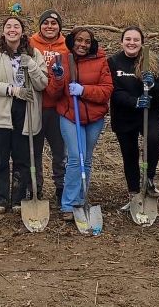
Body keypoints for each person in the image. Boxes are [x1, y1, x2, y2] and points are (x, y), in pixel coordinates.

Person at [0, 16, 48, 214]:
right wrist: (13, 90)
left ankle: (18, 199)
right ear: (3, 31)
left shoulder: (34, 54)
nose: (12, 30)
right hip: (0, 114)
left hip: (26, 112)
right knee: (0, 159)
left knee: (22, 159)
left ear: (22, 31)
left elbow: (42, 84)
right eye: (8, 26)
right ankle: (0, 199)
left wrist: (32, 66)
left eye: (16, 26)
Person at [46, 27, 113, 222]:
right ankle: (68, 203)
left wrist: (83, 90)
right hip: (70, 115)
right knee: (76, 156)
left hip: (94, 118)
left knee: (87, 159)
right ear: (72, 41)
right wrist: (58, 79)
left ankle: (82, 198)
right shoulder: (60, 60)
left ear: (92, 45)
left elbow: (106, 91)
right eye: (79, 40)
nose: (82, 44)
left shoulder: (101, 61)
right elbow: (53, 94)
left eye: (87, 42)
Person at [108, 26, 159, 208]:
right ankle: (134, 193)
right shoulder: (113, 62)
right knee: (129, 153)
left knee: (153, 140)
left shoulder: (151, 61)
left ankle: (148, 179)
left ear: (142, 42)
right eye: (128, 39)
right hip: (124, 115)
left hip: (149, 113)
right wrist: (134, 101)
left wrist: (152, 86)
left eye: (136, 40)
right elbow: (113, 91)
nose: (132, 43)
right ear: (122, 42)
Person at [29, 9, 67, 205]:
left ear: (59, 26)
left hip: (56, 108)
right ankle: (36, 188)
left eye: (54, 23)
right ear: (40, 26)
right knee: (33, 151)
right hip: (34, 106)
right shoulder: (30, 43)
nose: (50, 26)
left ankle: (61, 188)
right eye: (46, 23)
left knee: (59, 152)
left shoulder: (66, 46)